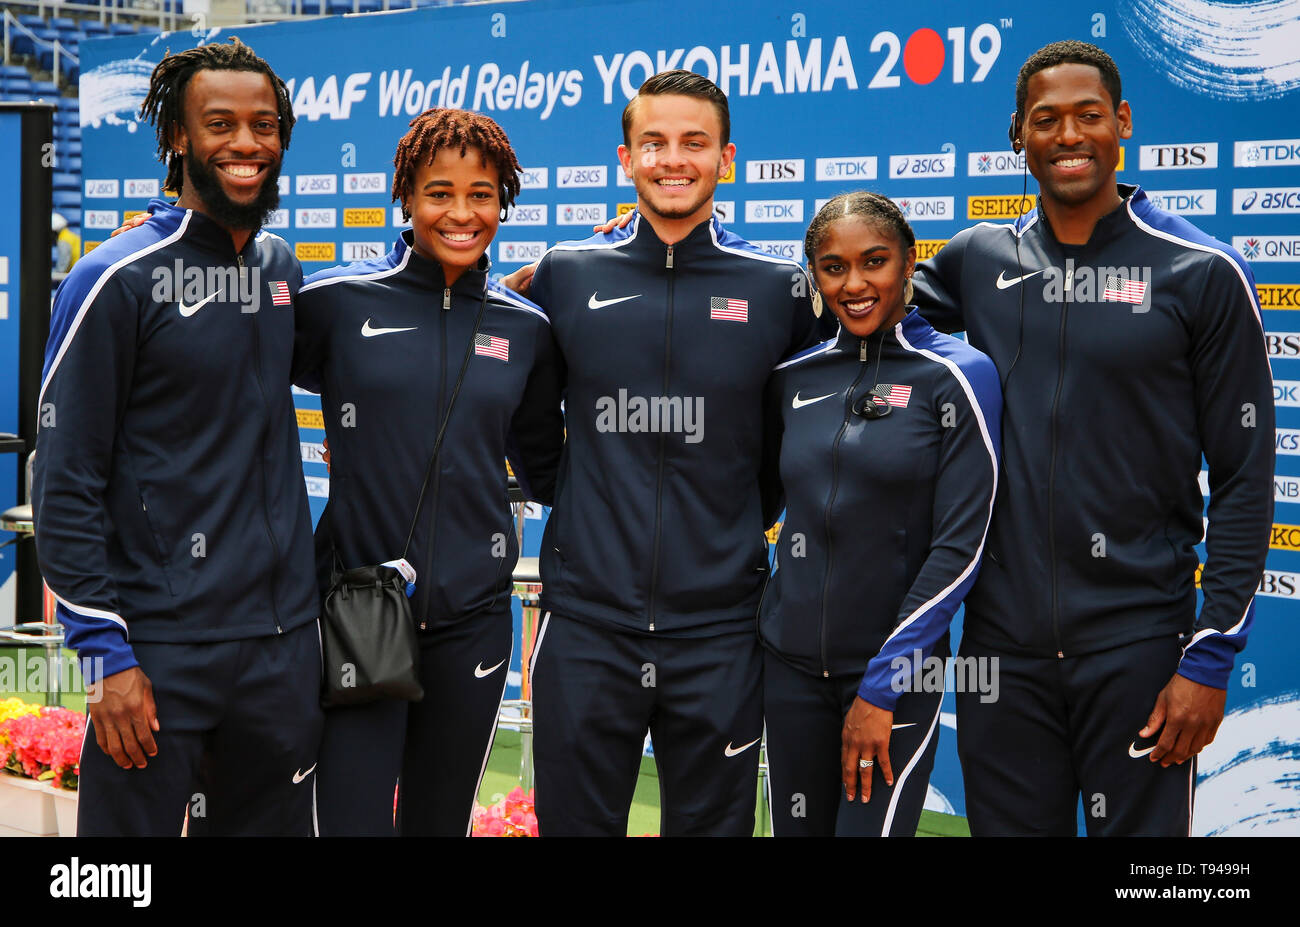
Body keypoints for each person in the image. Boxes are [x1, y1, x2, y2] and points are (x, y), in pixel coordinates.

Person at [912, 40, 1273, 836]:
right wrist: (654, 254)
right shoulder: (979, 258)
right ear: (1017, 135)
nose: (1068, 134)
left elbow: (1246, 476)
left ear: (1123, 124)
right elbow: (856, 315)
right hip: (1001, 651)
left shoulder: (1202, 270)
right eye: (1046, 119)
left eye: (1088, 115)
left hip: (1142, 647)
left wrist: (1208, 655)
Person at [505, 69, 833, 837]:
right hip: (586, 624)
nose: (673, 159)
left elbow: (797, 438)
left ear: (728, 158)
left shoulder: (778, 289)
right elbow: (527, 412)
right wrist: (580, 498)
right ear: (626, 157)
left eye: (695, 142)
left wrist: (737, 520)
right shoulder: (566, 273)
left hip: (721, 630)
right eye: (654, 142)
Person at [32, 39, 323, 836]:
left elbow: (375, 349)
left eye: (263, 125)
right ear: (178, 140)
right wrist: (103, 655)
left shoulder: (278, 268)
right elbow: (62, 478)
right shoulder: (113, 278)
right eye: (219, 123)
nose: (246, 143)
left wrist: (487, 288)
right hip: (156, 656)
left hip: (281, 650)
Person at [294, 108, 563, 836]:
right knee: (348, 822)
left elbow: (549, 467)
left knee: (438, 824)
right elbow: (229, 377)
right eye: (439, 192)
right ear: (405, 196)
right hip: (360, 606)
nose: (461, 212)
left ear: (502, 201)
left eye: (481, 194)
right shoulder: (336, 302)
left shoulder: (525, 326)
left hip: (472, 620)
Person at [759, 192, 1001, 837]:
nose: (855, 283)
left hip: (892, 680)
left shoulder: (957, 374)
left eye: (875, 261)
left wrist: (883, 686)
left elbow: (960, 549)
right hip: (787, 672)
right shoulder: (794, 377)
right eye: (833, 267)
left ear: (909, 264)